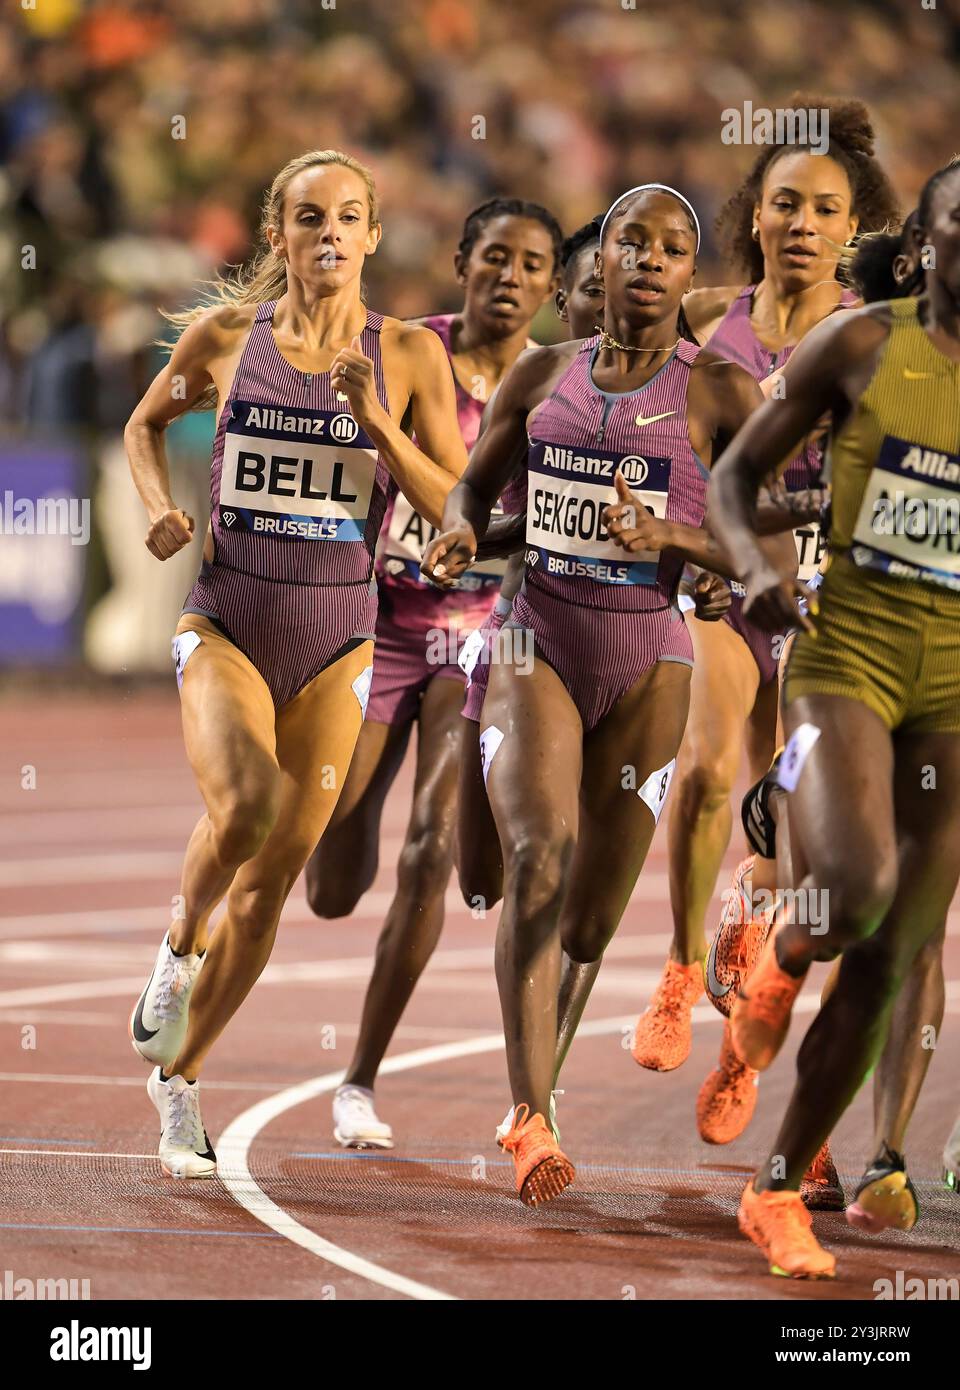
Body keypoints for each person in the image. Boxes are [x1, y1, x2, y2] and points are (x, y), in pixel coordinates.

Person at [125, 149, 469, 1178]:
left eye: (349, 216)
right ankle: (178, 947)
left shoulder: (407, 355)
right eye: (309, 216)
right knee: (242, 810)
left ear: (371, 236)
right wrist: (160, 510)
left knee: (275, 881)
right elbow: (147, 426)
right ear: (278, 235)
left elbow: (455, 501)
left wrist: (376, 428)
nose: (329, 233)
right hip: (227, 617)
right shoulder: (230, 339)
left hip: (338, 641)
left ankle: (179, 1085)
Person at [424, 184, 766, 1205]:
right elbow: (473, 493)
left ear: (686, 274)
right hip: (538, 638)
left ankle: (483, 831)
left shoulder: (718, 392)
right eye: (632, 241)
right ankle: (532, 1114)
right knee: (537, 861)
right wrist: (453, 527)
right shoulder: (543, 372)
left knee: (585, 923)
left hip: (650, 661)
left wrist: (684, 544)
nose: (651, 260)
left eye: (672, 248)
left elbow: (769, 546)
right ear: (602, 259)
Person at [710, 157, 960, 1278]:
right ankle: (782, 938)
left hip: (956, 686)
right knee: (853, 896)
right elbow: (733, 477)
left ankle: (778, 1189)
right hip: (846, 655)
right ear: (925, 240)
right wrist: (756, 567)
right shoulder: (863, 344)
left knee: (899, 944)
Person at [634, 97, 899, 1075]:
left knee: (786, 820)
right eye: (786, 204)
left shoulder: (872, 336)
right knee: (705, 768)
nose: (802, 225)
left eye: (825, 210)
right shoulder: (705, 324)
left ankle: (745, 910)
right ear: (754, 216)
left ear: (850, 227)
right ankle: (672, 968)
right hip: (720, 589)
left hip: (825, 601)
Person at [300, 198, 562, 1149]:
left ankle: (359, 1081)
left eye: (532, 265)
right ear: (463, 262)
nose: (510, 277)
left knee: (429, 847)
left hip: (481, 632)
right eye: (495, 258)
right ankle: (350, 811)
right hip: (382, 619)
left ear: (553, 285)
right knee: (331, 879)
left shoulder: (559, 386)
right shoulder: (413, 352)